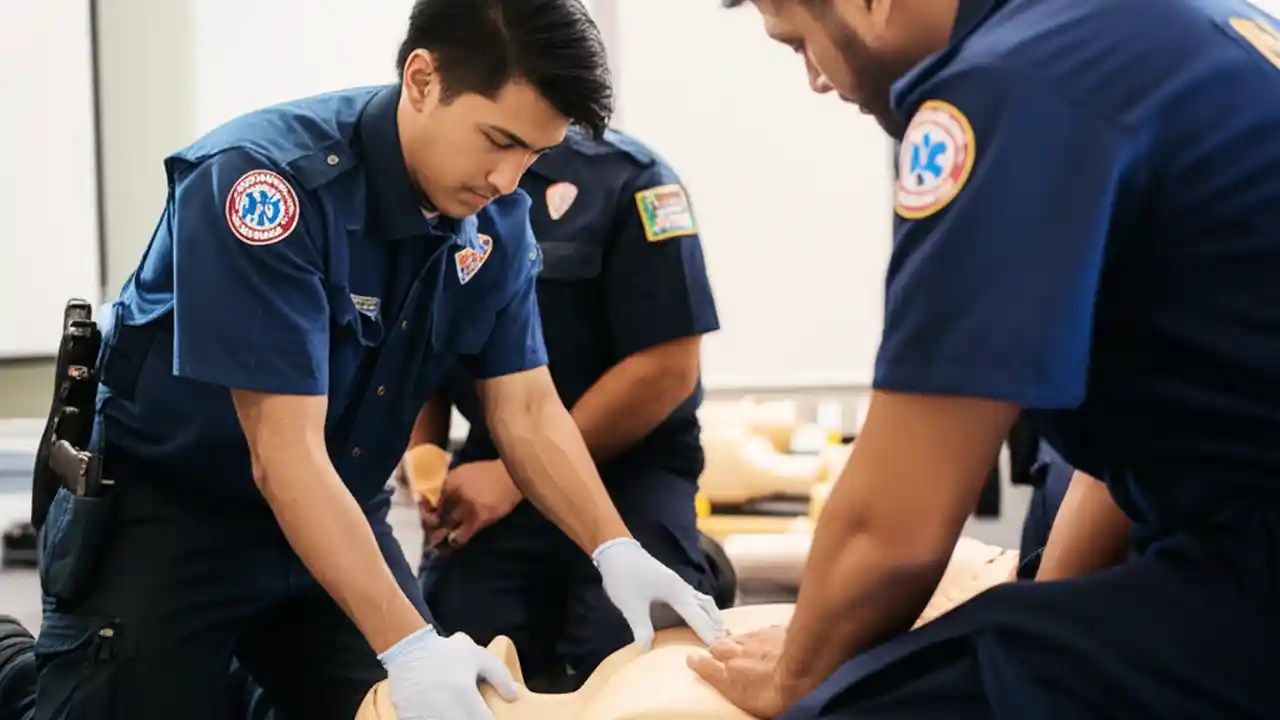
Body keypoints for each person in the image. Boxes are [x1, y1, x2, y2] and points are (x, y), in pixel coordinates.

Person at [30, 2, 724, 719]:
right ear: (422, 79)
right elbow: (283, 455)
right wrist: (410, 644)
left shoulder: (494, 219)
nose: (507, 178)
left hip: (339, 510)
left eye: (535, 155)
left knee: (425, 709)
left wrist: (614, 548)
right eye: (498, 140)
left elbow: (526, 408)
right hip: (178, 514)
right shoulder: (266, 186)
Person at [687, 0, 1280, 717]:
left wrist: (795, 680)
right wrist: (1040, 613)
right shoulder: (1150, 28)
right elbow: (1135, 446)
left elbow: (893, 529)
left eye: (799, 43)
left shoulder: (1006, 86)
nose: (814, 77)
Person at [409, 126, 722, 691]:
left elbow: (669, 367)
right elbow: (420, 340)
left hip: (626, 468)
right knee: (459, 641)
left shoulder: (631, 182)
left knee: (633, 643)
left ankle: (697, 563)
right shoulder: (428, 181)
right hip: (492, 467)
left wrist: (516, 477)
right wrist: (423, 459)